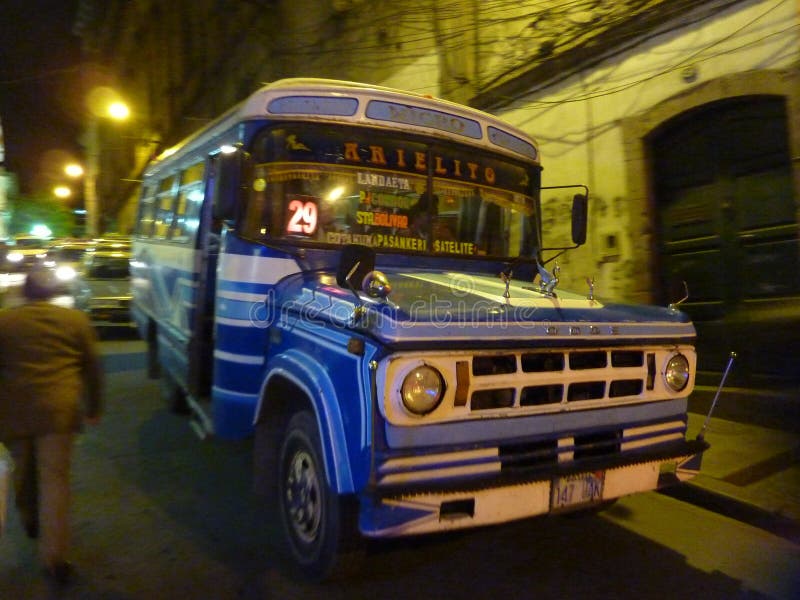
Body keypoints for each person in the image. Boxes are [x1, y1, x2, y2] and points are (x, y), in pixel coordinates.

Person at [0, 267, 103, 586]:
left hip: (15, 412)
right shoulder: (75, 321)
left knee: (23, 468)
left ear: (26, 292)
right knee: (54, 480)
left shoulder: (5, 321)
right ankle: (54, 558)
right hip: (59, 412)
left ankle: (30, 518)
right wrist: (94, 407)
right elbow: (93, 367)